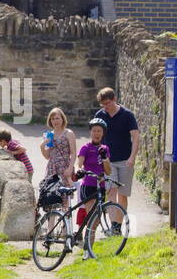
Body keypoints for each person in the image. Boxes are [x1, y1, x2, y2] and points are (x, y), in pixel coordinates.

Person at [93, 87, 139, 233]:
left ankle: (118, 224)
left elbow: (136, 137)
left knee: (123, 194)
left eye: (107, 103)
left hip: (125, 160)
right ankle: (114, 227)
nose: (106, 107)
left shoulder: (127, 115)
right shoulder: (100, 115)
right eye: (103, 104)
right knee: (111, 191)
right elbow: (95, 137)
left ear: (114, 99)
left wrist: (132, 157)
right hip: (108, 161)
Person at [74, 117, 112, 259]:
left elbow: (108, 171)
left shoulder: (105, 149)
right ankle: (87, 251)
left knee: (95, 222)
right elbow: (79, 164)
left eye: (99, 131)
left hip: (100, 187)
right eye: (94, 130)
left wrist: (105, 158)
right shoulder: (86, 147)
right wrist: (80, 170)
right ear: (90, 132)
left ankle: (89, 249)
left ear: (103, 133)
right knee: (92, 218)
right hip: (88, 185)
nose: (97, 133)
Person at [38, 107, 77, 206]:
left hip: (65, 167)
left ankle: (66, 220)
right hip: (52, 169)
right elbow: (47, 156)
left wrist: (70, 168)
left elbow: (73, 153)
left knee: (65, 199)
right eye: (52, 119)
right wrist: (42, 146)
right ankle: (52, 221)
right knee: (52, 197)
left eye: (57, 118)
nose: (55, 121)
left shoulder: (69, 133)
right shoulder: (49, 135)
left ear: (62, 119)